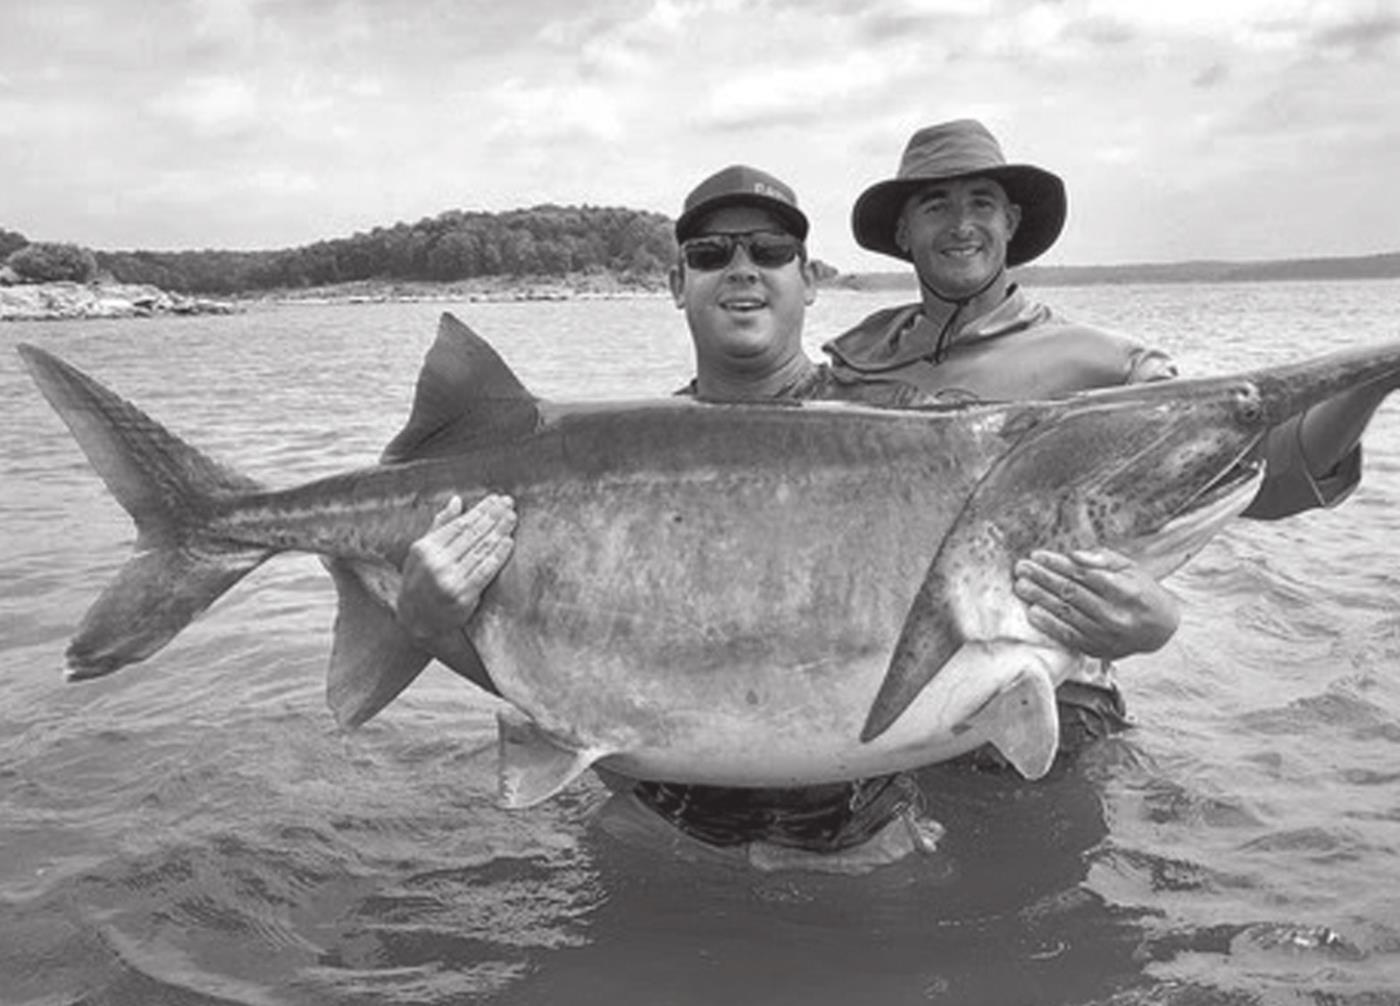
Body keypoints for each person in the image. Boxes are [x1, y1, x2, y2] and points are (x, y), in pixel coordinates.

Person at [395, 164, 1179, 872]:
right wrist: (432, 627)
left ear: (809, 280)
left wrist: (1147, 624)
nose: (741, 271)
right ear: (677, 283)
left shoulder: (920, 431)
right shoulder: (607, 464)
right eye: (710, 256)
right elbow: (555, 682)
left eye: (769, 252)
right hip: (652, 840)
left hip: (862, 851)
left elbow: (1034, 578)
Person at [824, 118, 1400, 537]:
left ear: (1011, 224)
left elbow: (1262, 482)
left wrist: (1377, 381)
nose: (962, 222)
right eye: (936, 204)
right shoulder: (848, 369)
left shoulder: (1111, 368)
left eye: (982, 202)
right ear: (903, 231)